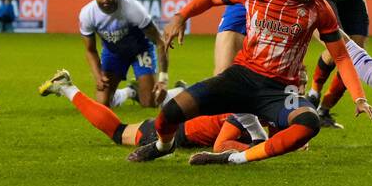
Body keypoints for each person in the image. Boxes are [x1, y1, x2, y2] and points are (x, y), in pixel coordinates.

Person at [128, 0, 372, 165]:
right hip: (241, 78)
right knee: (171, 112)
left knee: (308, 124)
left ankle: (234, 158)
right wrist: (181, 16)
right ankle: (163, 147)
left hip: (283, 91)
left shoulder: (320, 9)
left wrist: (359, 98)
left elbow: (341, 57)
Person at [38, 68, 264, 150]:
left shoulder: (248, 99)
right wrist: (259, 148)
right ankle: (67, 88)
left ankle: (171, 90)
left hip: (183, 120)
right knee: (119, 133)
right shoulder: (245, 111)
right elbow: (221, 146)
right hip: (177, 130)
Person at [78, 0, 174, 109]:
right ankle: (130, 91)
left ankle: (180, 91)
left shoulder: (132, 9)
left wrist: (163, 79)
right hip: (114, 53)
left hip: (140, 51)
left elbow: (160, 42)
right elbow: (90, 50)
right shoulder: (87, 14)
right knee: (102, 104)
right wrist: (98, 75)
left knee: (150, 103)